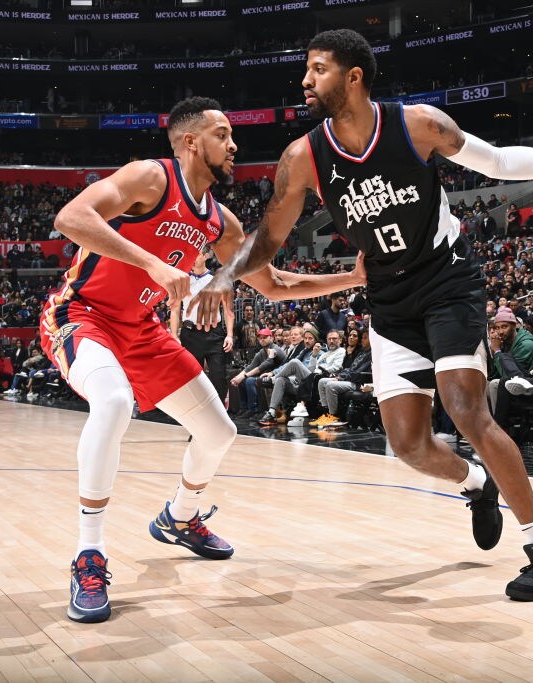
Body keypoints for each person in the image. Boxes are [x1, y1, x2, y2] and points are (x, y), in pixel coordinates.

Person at [200, 29, 533, 602]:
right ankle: (476, 484)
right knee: (407, 444)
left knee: (465, 407)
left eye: (318, 69)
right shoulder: (302, 158)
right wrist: (222, 275)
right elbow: (270, 238)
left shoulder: (417, 124)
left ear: (353, 77)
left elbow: (496, 161)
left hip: (447, 282)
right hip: (389, 300)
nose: (305, 80)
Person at [43, 96, 364, 624]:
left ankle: (180, 517)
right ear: (191, 142)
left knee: (219, 432)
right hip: (83, 315)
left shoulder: (219, 221)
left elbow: (273, 284)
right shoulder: (150, 177)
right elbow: (71, 216)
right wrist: (152, 264)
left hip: (141, 330)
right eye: (222, 135)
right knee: (114, 402)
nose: (234, 145)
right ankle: (88, 555)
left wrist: (350, 278)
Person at [169, 245, 233, 402]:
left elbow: (228, 310)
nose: (191, 257)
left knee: (218, 376)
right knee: (191, 379)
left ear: (206, 256)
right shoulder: (182, 279)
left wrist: (230, 335)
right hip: (190, 334)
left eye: (196, 254)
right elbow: (175, 309)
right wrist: (174, 335)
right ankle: (196, 410)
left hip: (214, 334)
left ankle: (220, 409)